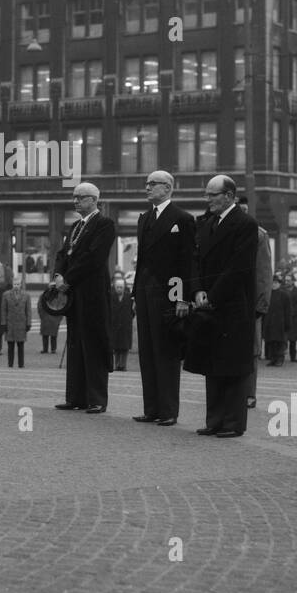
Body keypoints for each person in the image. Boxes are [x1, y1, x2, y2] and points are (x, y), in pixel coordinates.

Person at [185, 174, 259, 438]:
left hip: (233, 305)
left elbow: (239, 267)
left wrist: (212, 296)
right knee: (212, 366)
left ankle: (233, 423)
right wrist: (197, 290)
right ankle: (214, 420)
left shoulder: (245, 224)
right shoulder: (207, 224)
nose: (208, 199)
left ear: (229, 196)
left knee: (233, 368)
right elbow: (196, 260)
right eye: (206, 194)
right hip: (209, 305)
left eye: (212, 195)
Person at [132, 170, 195, 425]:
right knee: (147, 351)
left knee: (166, 352)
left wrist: (182, 298)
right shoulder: (144, 218)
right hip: (144, 291)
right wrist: (135, 293)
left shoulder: (183, 218)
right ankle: (152, 409)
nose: (147, 188)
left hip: (168, 293)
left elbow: (187, 262)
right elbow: (142, 259)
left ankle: (168, 410)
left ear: (167, 188)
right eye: (146, 183)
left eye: (153, 184)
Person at [52, 182, 116, 413]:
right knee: (75, 343)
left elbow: (94, 258)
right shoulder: (75, 226)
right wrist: (58, 274)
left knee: (93, 343)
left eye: (80, 197)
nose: (76, 201)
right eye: (74, 197)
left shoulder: (104, 224)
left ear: (94, 200)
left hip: (93, 293)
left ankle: (96, 398)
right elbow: (63, 254)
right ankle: (75, 396)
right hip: (74, 293)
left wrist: (68, 278)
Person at [237, 194, 272, 410]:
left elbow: (264, 273)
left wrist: (261, 305)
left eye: (244, 209)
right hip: (229, 303)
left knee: (251, 351)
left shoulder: (259, 235)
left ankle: (249, 393)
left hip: (251, 305)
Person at [3, 275, 32, 368]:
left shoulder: (26, 295)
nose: (16, 286)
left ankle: (21, 364)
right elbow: (3, 310)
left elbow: (28, 310)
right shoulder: (6, 295)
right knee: (10, 346)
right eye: (15, 284)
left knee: (21, 345)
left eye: (18, 284)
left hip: (21, 323)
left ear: (20, 285)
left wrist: (28, 323)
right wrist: (3, 323)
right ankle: (10, 364)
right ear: (12, 284)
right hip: (10, 323)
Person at [262, 274, 289, 367]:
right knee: (271, 342)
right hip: (270, 322)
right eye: (272, 283)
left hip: (280, 323)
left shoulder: (284, 295)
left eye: (276, 283)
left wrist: (287, 324)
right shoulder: (268, 294)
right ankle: (273, 359)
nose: (273, 284)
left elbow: (288, 311)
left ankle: (280, 359)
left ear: (279, 284)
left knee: (280, 342)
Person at [110, 273, 135, 372]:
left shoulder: (129, 297)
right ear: (115, 287)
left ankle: (123, 365)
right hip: (114, 325)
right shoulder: (112, 297)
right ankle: (116, 365)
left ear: (124, 288)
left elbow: (132, 312)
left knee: (125, 348)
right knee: (116, 347)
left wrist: (128, 319)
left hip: (125, 325)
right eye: (117, 287)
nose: (119, 289)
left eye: (121, 287)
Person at [282, 273, 297, 362]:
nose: (286, 282)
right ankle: (280, 356)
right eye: (285, 280)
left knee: (293, 339)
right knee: (283, 337)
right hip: (283, 317)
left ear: (293, 281)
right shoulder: (282, 290)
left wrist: (291, 313)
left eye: (288, 280)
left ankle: (293, 356)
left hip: (294, 318)